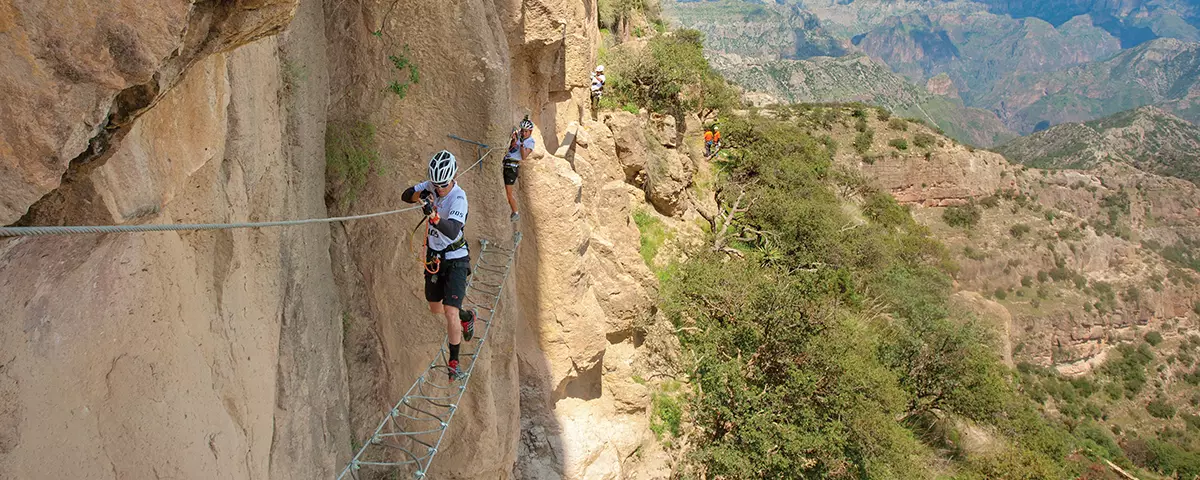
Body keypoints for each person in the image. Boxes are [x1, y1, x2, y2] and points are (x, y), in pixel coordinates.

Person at [402, 150, 476, 380]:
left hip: (456, 258)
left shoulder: (459, 198)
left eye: (443, 184)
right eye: (436, 184)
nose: (439, 188)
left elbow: (453, 230)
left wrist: (433, 215)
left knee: (449, 312)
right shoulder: (431, 185)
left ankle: (454, 362)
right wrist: (423, 195)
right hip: (434, 258)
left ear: (453, 177)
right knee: (436, 308)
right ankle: (467, 316)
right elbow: (406, 195)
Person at [504, 117, 535, 222]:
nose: (523, 132)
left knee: (508, 193)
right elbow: (511, 147)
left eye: (525, 131)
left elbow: (524, 156)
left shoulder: (530, 142)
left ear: (530, 132)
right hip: (506, 163)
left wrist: (521, 144)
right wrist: (514, 139)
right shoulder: (519, 136)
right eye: (522, 130)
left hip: (512, 168)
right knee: (505, 191)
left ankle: (515, 212)